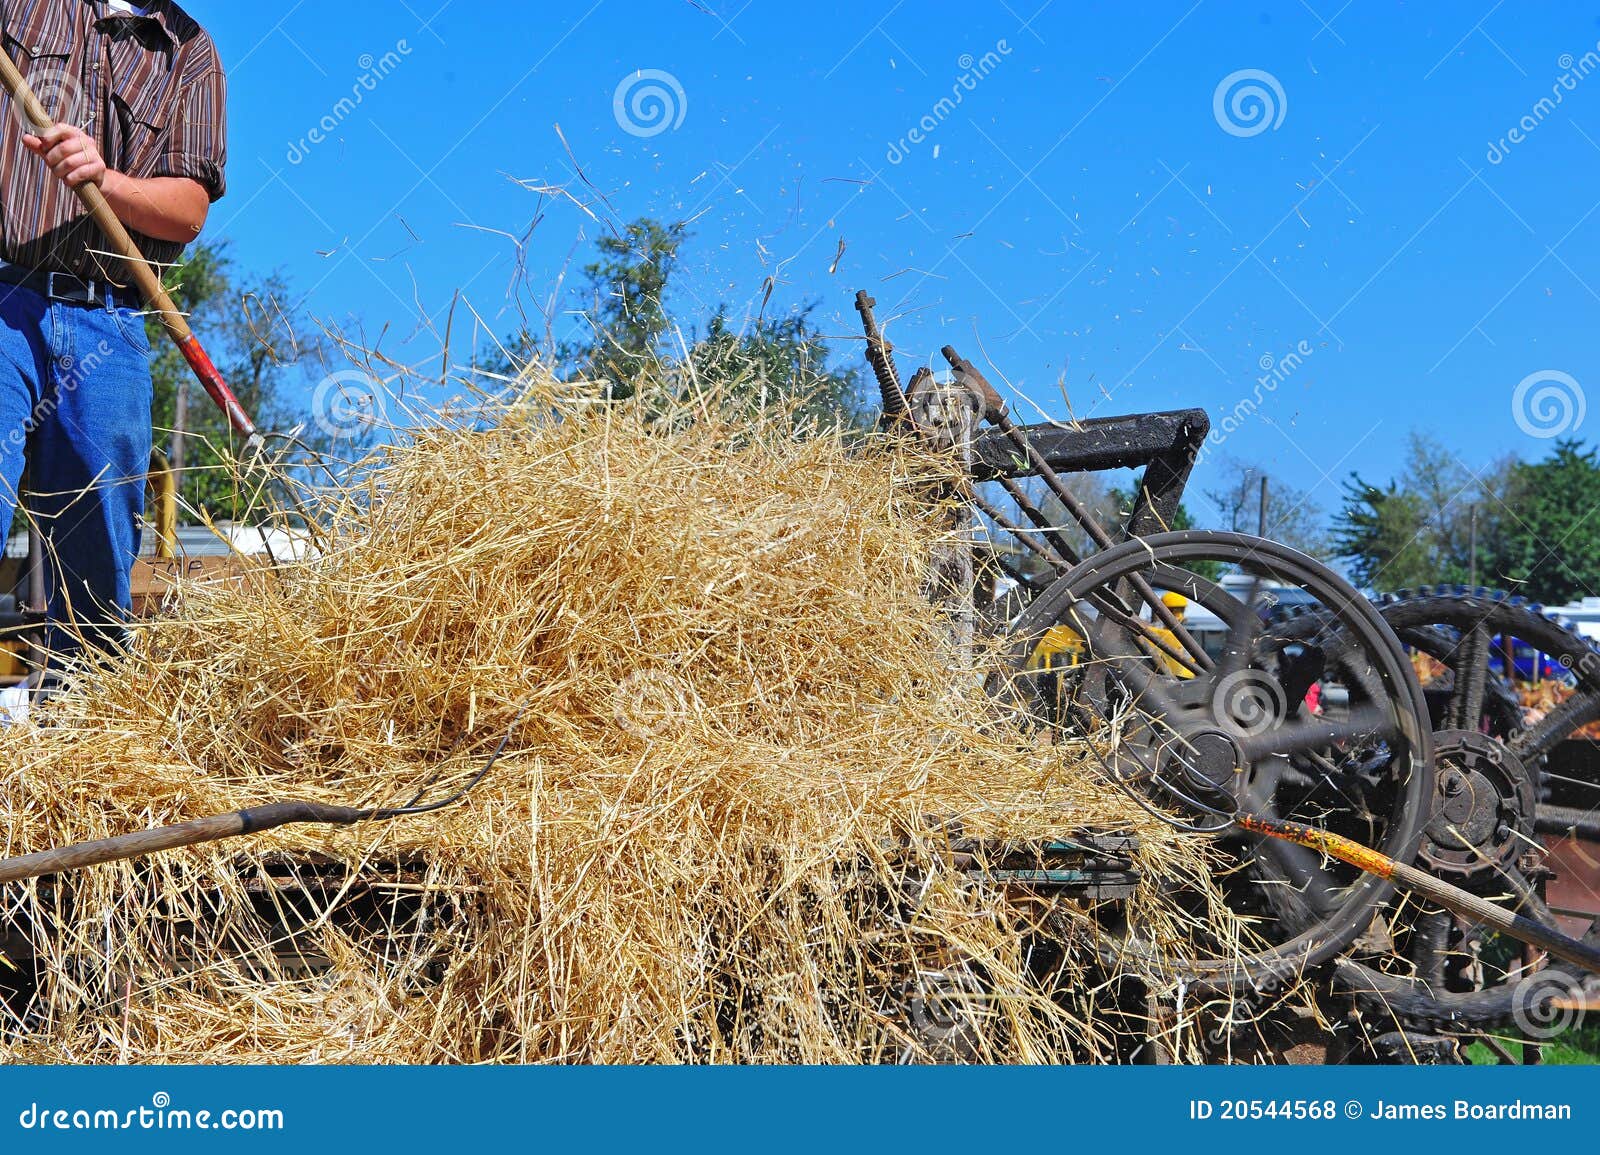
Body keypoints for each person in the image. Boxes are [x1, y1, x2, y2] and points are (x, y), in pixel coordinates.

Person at [0, 0, 226, 668]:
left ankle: (82, 743)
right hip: (3, 299)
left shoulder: (191, 53)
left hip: (109, 321)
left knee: (97, 573)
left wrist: (105, 180)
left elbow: (187, 211)